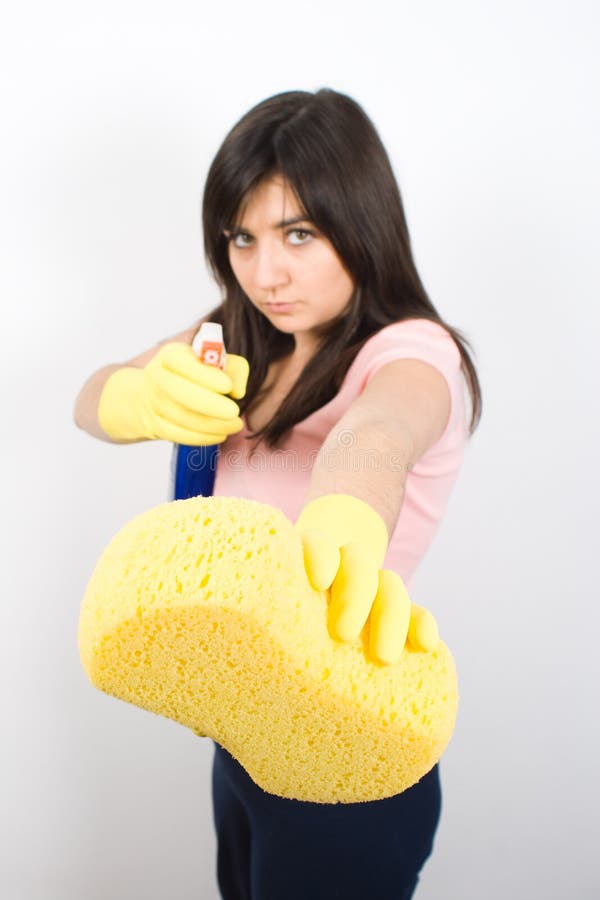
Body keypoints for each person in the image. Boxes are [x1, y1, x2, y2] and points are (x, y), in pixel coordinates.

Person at [74, 88, 482, 900]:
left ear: (361, 222)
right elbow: (91, 397)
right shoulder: (237, 338)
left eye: (300, 233)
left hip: (350, 751)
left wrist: (344, 516)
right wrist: (138, 398)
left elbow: (378, 437)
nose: (266, 272)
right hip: (251, 730)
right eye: (243, 237)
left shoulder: (411, 353)